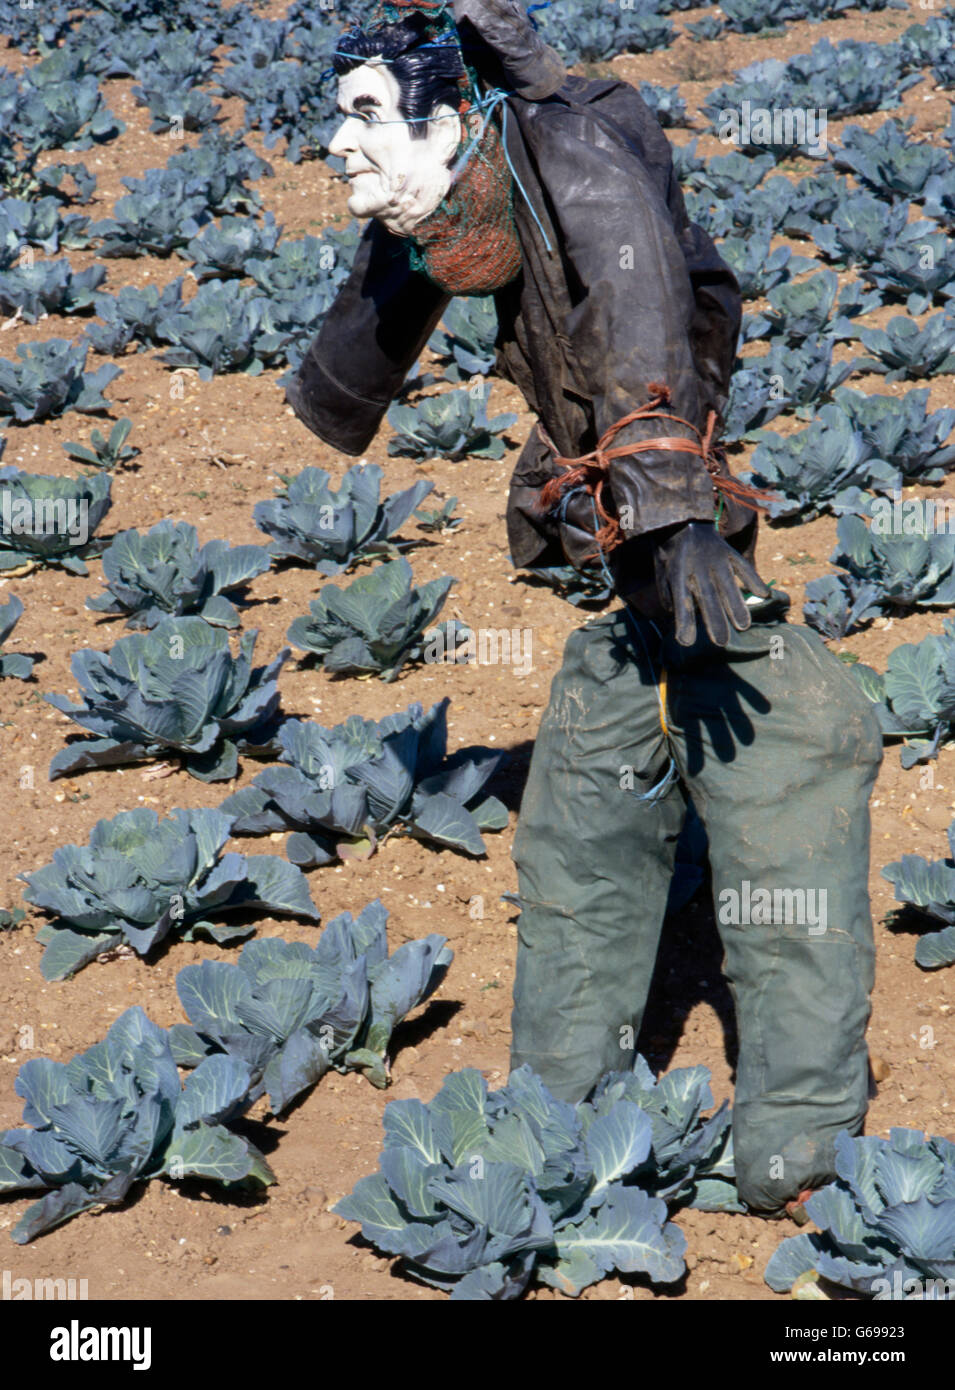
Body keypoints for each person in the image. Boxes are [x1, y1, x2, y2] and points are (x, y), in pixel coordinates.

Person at [286, 0, 884, 1215]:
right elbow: (370, 335)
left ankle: (802, 1155)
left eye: (363, 117)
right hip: (638, 580)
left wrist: (667, 505)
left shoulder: (573, 160)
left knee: (783, 834)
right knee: (579, 843)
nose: (337, 145)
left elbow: (640, 300)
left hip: (685, 542)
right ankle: (553, 1124)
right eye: (332, 117)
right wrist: (332, 391)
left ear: (451, 120)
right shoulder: (461, 191)